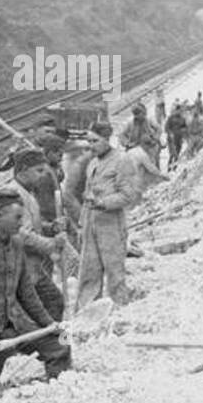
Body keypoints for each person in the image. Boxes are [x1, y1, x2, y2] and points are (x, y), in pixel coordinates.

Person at [0, 190, 71, 395]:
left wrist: (49, 323)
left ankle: (57, 395)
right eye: (17, 218)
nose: (21, 223)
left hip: (13, 326)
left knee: (61, 343)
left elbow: (26, 293)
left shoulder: (16, 244)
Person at [0, 147, 69, 320]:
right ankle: (51, 343)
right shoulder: (11, 195)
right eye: (38, 171)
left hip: (32, 267)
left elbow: (31, 225)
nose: (42, 176)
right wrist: (50, 244)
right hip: (18, 268)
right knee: (49, 305)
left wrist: (50, 227)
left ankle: (55, 343)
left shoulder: (27, 192)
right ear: (23, 170)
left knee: (54, 303)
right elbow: (18, 233)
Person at [76, 120, 140, 309]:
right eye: (89, 141)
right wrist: (81, 223)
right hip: (91, 223)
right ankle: (88, 311)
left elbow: (128, 195)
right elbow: (88, 192)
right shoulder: (93, 163)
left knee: (114, 272)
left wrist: (104, 203)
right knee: (89, 270)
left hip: (111, 224)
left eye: (95, 141)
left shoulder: (122, 160)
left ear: (106, 139)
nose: (91, 146)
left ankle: (118, 309)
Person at [121, 102, 162, 169]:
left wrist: (156, 138)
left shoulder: (149, 119)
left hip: (150, 146)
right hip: (136, 147)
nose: (141, 116)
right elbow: (122, 135)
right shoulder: (129, 122)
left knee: (154, 164)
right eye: (137, 115)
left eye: (142, 113)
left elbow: (159, 129)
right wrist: (127, 143)